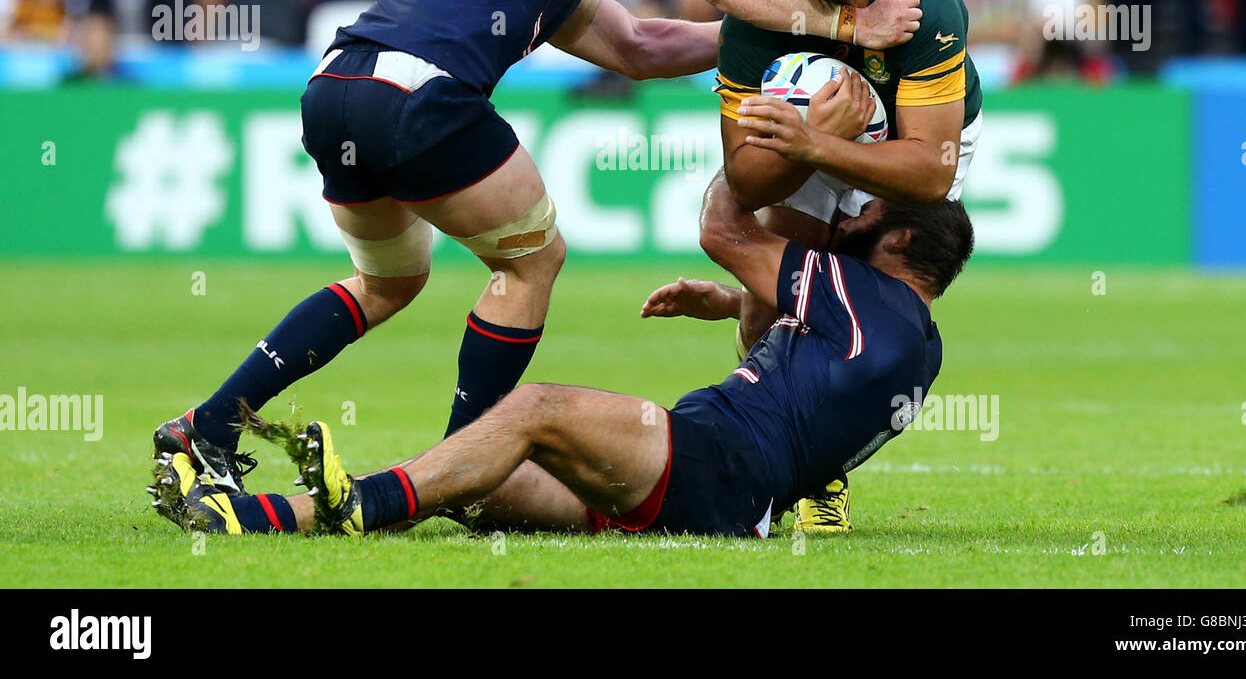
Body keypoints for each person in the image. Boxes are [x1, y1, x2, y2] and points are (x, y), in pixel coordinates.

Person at [151, 0, 922, 495]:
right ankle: (458, 471)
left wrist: (784, 35)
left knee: (387, 282)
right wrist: (845, 25)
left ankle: (207, 426)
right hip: (423, 95)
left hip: (338, 87)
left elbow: (641, 47)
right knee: (533, 262)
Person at [150, 175, 973, 539]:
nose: (847, 215)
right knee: (470, 481)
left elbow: (722, 228)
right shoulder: (917, 345)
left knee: (534, 408)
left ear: (901, 240)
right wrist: (733, 305)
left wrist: (761, 134)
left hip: (711, 459)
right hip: (735, 500)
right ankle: (251, 518)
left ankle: (352, 506)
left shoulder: (865, 291)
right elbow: (816, 374)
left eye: (867, 210)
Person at [707, 0, 983, 531]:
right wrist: (813, 142)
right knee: (769, 301)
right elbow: (745, 179)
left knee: (878, 313)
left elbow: (931, 172)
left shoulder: (925, 0)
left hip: (919, 144)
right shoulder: (752, 19)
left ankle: (818, 454)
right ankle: (801, 469)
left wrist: (814, 145)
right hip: (815, 138)